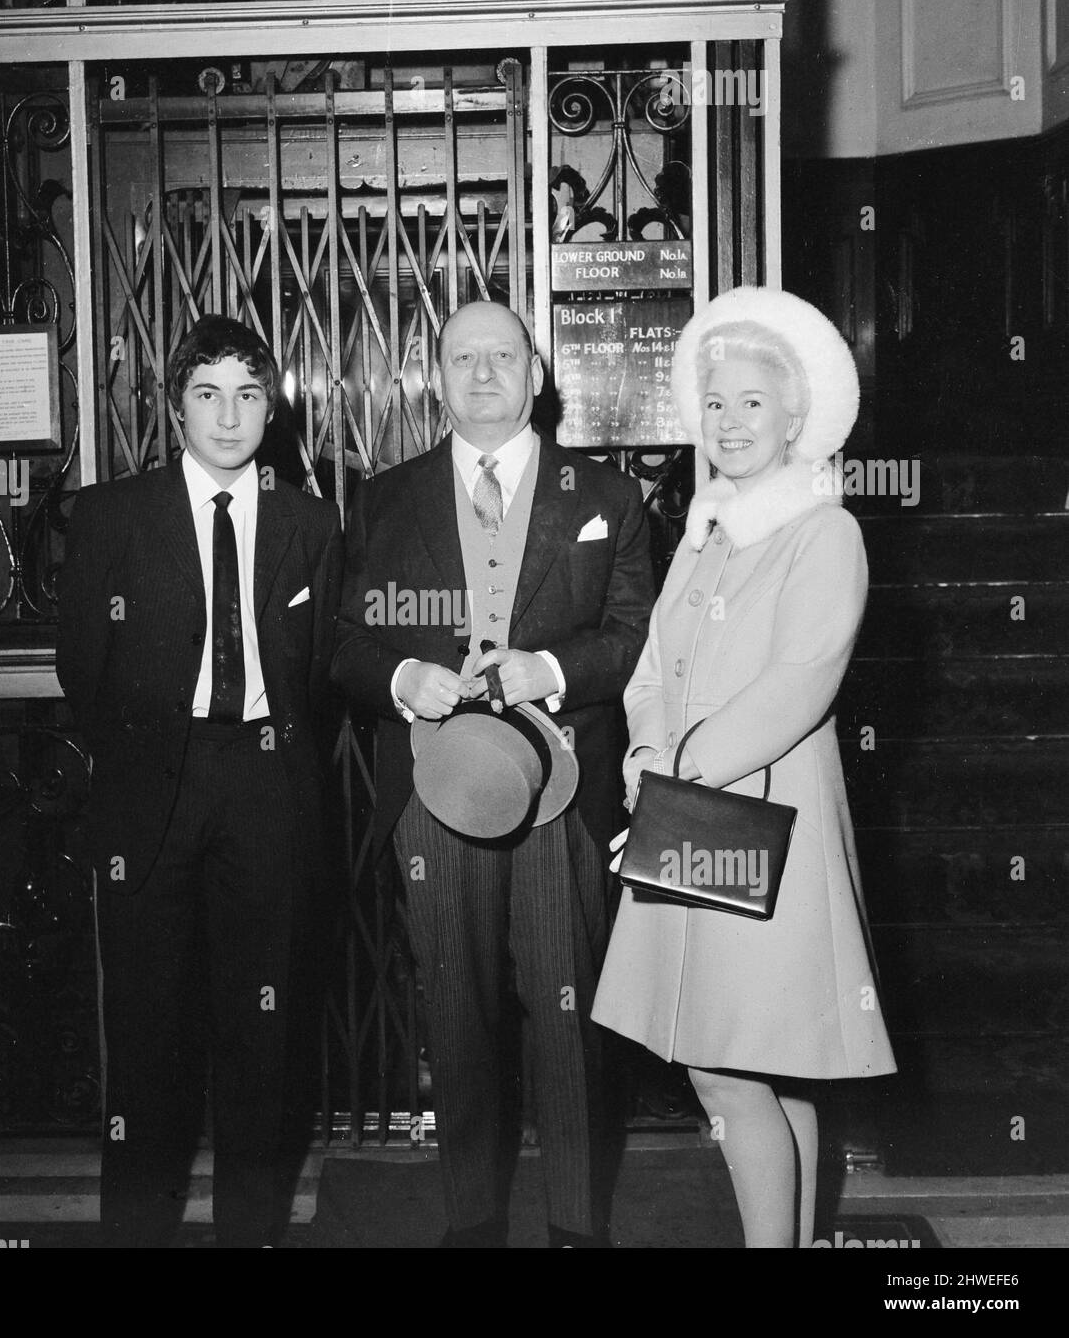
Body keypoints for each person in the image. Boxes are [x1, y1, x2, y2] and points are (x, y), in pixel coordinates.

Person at [332, 300, 655, 1247]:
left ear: (537, 373)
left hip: (562, 791)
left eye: (503, 356)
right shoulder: (383, 500)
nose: (483, 373)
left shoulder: (607, 498)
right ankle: (472, 1219)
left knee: (566, 1011)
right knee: (456, 1004)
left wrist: (551, 671)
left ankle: (573, 1226)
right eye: (462, 357)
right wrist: (400, 675)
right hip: (435, 792)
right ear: (436, 375)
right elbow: (341, 643)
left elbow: (634, 636)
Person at [592, 286, 897, 1248]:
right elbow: (648, 667)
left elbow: (797, 685)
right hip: (689, 809)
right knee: (757, 1061)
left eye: (753, 404)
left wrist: (671, 773)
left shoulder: (824, 531)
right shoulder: (704, 527)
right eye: (715, 403)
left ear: (796, 416)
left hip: (763, 817)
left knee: (729, 1064)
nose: (729, 423)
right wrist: (644, 750)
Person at [56, 314, 343, 1247]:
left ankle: (249, 1234)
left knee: (263, 1040)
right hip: (151, 793)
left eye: (250, 394)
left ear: (274, 407)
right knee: (144, 1042)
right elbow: (83, 670)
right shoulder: (110, 515)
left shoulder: (308, 520)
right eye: (208, 393)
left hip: (267, 790)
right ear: (173, 405)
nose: (230, 415)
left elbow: (322, 669)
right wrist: (147, 758)